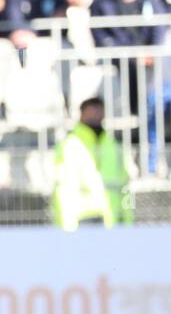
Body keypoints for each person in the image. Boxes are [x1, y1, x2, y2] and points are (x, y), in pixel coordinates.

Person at [52, 98, 132, 230]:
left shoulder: (113, 145)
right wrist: (65, 224)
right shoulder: (69, 145)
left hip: (112, 220)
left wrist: (129, 220)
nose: (96, 116)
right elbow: (62, 189)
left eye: (99, 111)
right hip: (81, 221)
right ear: (82, 114)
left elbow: (126, 187)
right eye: (92, 112)